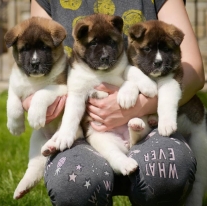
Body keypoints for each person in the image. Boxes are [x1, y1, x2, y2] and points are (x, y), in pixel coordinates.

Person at [23, 0, 204, 205]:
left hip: (147, 124)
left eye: (110, 44)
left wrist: (142, 105)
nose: (104, 53)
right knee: (72, 183)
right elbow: (34, 62)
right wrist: (36, 98)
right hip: (87, 134)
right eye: (94, 44)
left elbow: (195, 71)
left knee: (166, 169)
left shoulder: (127, 68)